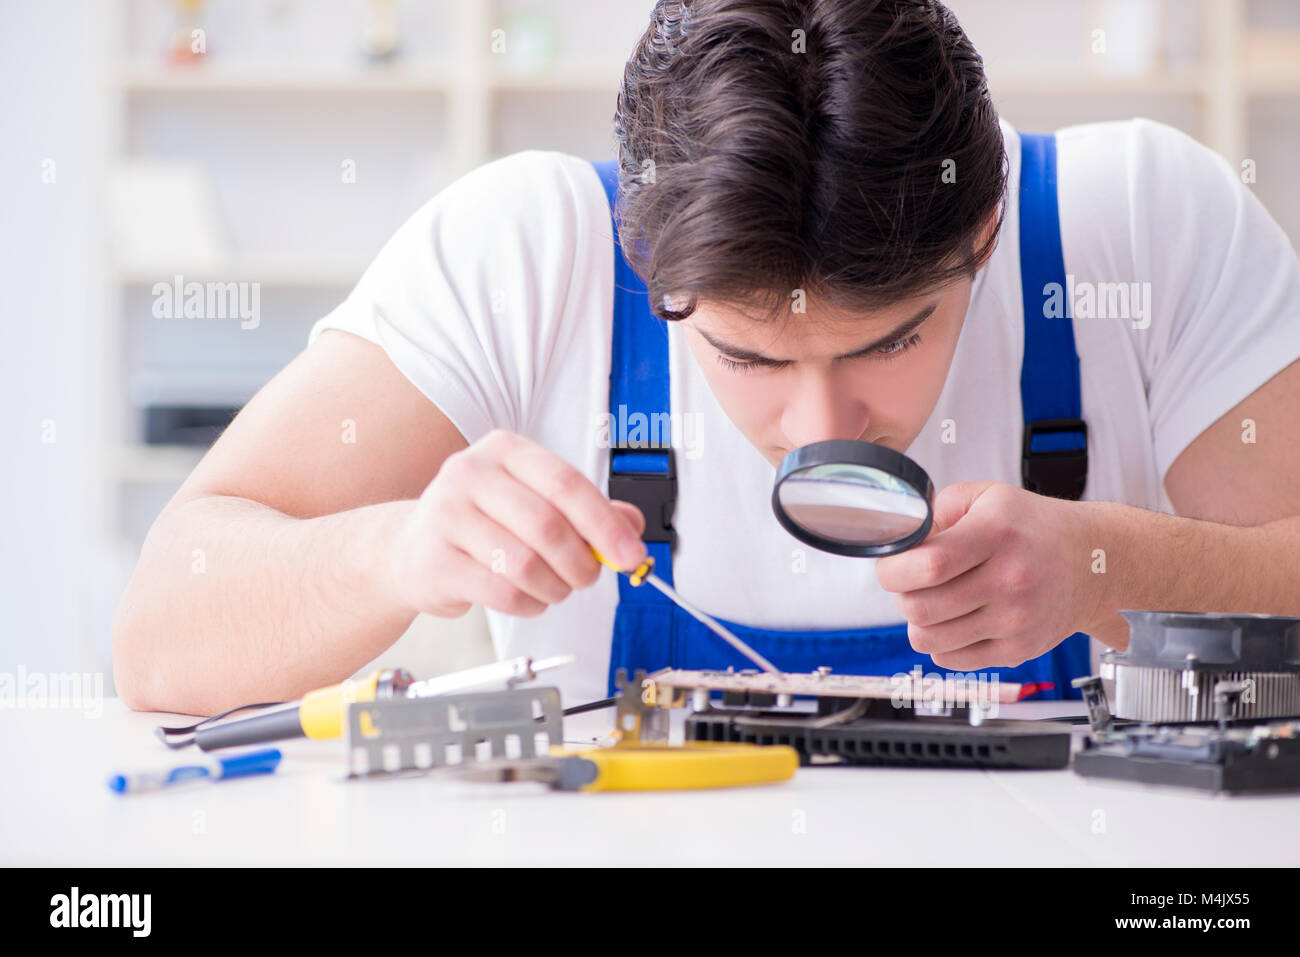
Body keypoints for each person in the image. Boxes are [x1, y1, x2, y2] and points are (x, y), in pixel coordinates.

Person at [113, 0, 1300, 715]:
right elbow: (162, 631)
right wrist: (395, 552)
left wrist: (1110, 567)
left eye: (891, 339)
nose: (818, 426)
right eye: (747, 359)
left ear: (981, 233)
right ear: (649, 267)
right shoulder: (526, 249)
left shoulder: (1141, 216)